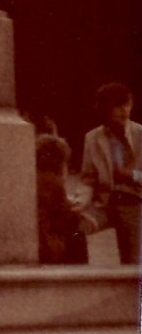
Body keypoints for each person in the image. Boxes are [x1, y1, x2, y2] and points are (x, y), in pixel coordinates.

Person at [79, 81, 142, 264]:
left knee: (134, 265)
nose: (125, 111)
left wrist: (131, 175)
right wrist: (79, 202)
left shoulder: (140, 134)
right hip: (104, 204)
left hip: (135, 203)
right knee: (75, 229)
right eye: (118, 105)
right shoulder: (92, 138)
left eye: (127, 104)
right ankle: (79, 282)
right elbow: (87, 178)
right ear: (105, 109)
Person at [34, 133, 88, 265]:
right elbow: (62, 214)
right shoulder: (53, 182)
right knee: (77, 230)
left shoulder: (37, 177)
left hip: (37, 237)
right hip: (47, 244)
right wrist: (78, 213)